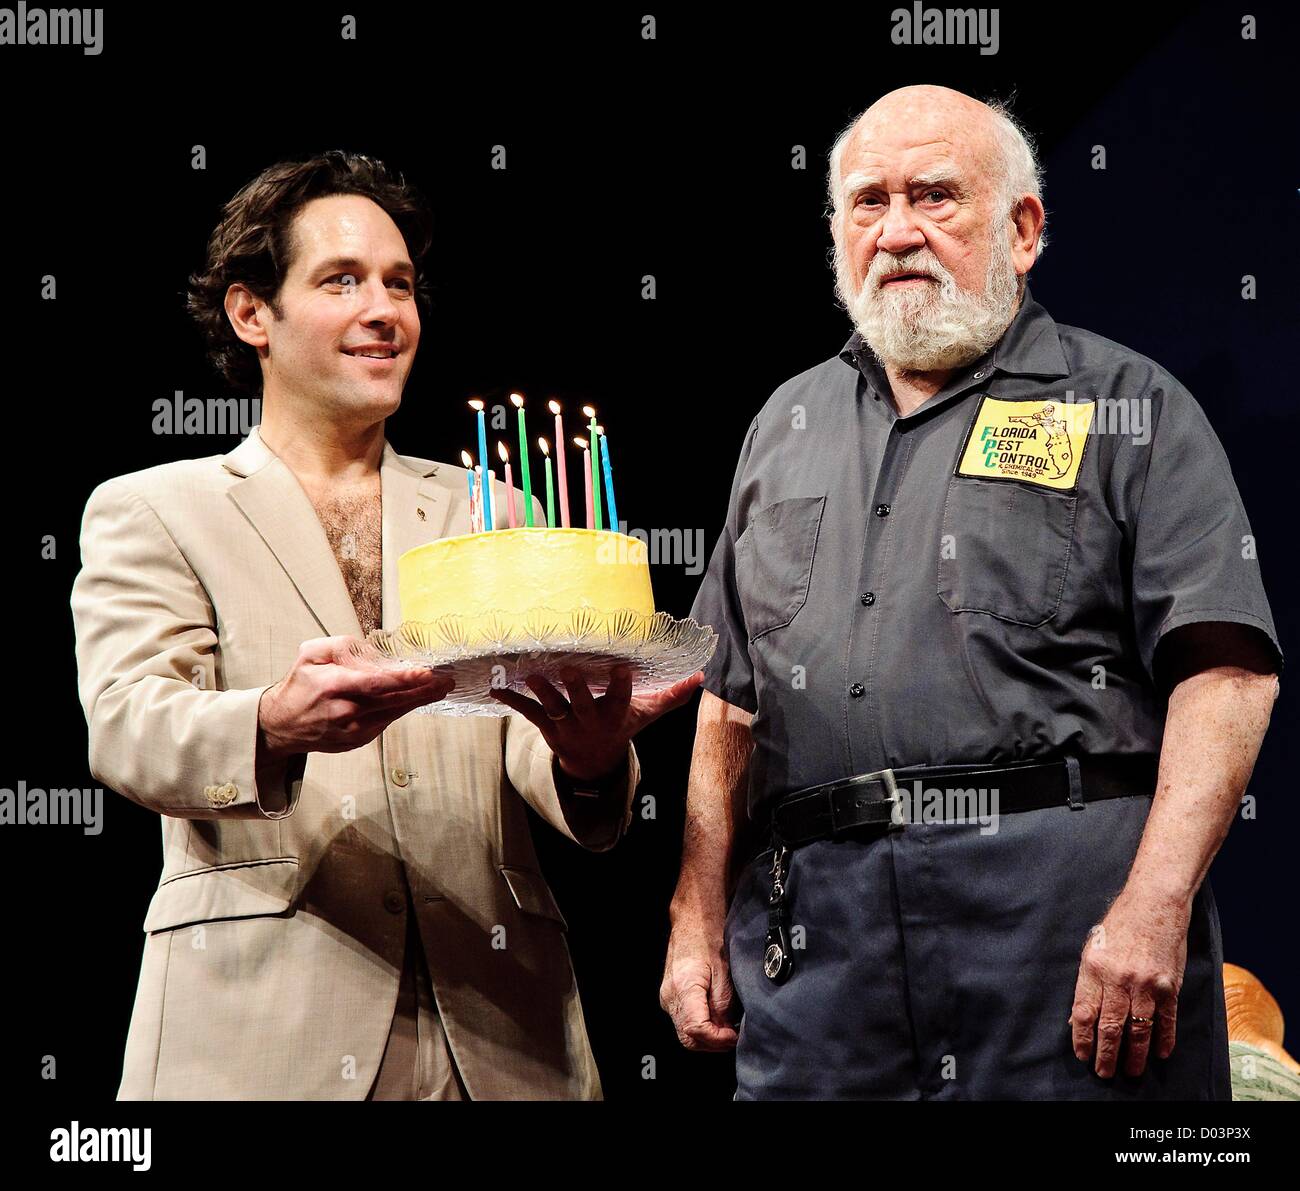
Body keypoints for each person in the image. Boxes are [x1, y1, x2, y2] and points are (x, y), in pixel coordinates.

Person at [660, 85, 1282, 1100]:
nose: (897, 231)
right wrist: (692, 917)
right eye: (868, 203)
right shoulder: (784, 426)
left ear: (1023, 229)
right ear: (835, 234)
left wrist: (1154, 908)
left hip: (1063, 940)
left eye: (935, 196)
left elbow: (1225, 674)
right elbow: (729, 704)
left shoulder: (1129, 406)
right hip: (820, 958)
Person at [71, 150, 700, 1100]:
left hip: (500, 1035)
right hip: (263, 1034)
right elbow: (128, 724)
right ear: (253, 316)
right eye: (342, 280)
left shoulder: (495, 509)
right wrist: (270, 725)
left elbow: (523, 744)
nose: (385, 310)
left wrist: (588, 760)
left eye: (401, 284)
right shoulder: (156, 509)